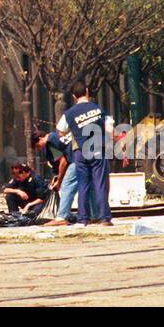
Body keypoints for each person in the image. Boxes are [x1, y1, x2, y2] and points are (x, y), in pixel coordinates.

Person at [56, 83, 114, 226]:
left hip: (80, 152)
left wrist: (74, 134)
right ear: (87, 92)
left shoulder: (69, 113)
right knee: (100, 184)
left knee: (83, 185)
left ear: (74, 96)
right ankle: (105, 218)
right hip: (97, 150)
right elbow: (109, 131)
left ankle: (83, 219)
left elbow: (60, 131)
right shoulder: (98, 109)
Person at [33, 127, 77, 223]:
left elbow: (63, 161)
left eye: (38, 146)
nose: (40, 149)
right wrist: (56, 176)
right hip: (82, 157)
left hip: (74, 161)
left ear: (40, 138)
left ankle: (61, 217)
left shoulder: (50, 142)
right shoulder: (56, 135)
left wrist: (59, 181)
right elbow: (58, 163)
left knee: (66, 187)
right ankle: (93, 215)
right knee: (87, 188)